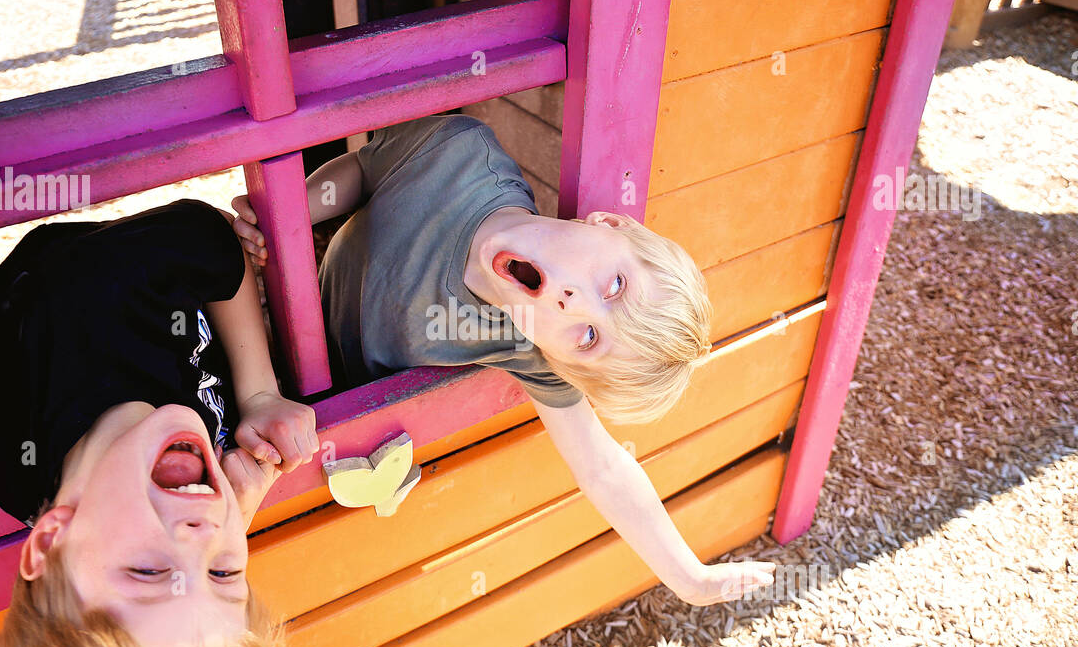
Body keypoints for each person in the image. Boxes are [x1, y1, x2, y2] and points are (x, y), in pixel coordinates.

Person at [231, 113, 776, 608]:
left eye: (589, 337)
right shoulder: (458, 153)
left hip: (319, 398)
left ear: (560, 361)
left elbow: (603, 467)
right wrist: (293, 214)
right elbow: (363, 169)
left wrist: (687, 576)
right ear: (612, 225)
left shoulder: (527, 348)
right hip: (295, 314)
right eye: (615, 286)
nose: (575, 304)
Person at [0, 198, 320, 647]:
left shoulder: (97, 292)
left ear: (50, 540)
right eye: (224, 572)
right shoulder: (154, 485)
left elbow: (210, 235)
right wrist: (239, 494)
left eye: (150, 571)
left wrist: (258, 388)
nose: (203, 533)